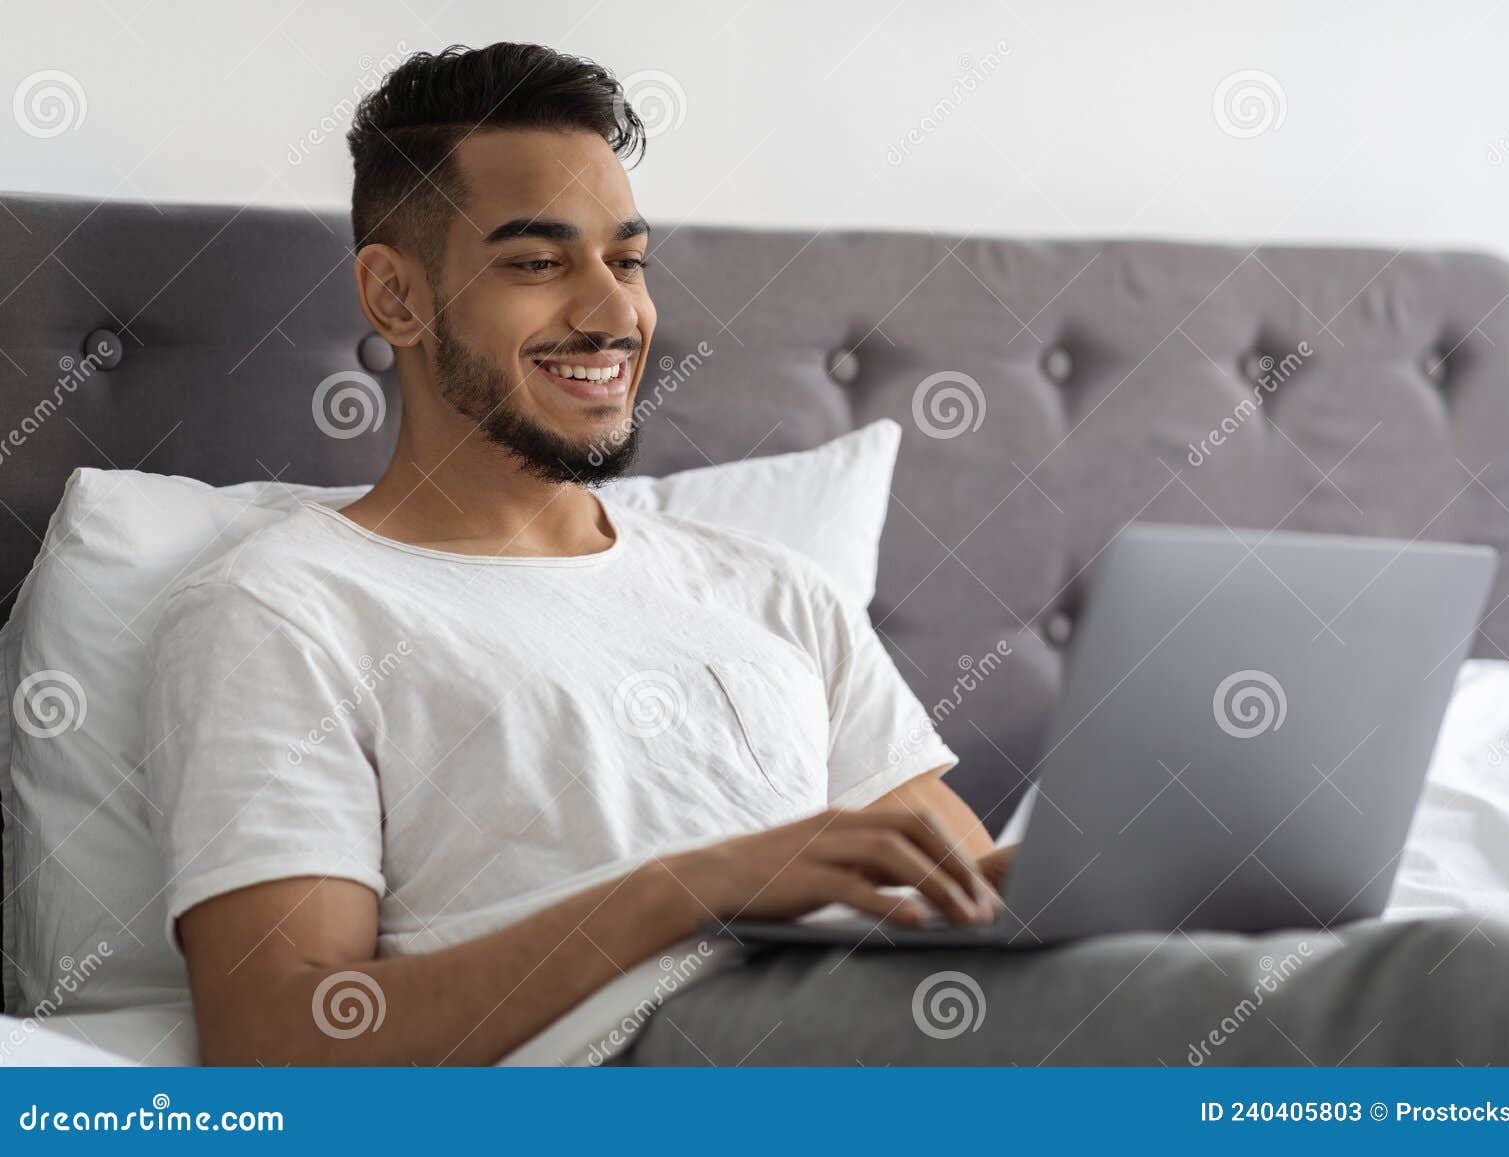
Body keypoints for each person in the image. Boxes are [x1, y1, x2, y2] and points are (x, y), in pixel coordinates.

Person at [147, 42, 1008, 1066]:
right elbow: (276, 1039)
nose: (614, 315)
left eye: (627, 261)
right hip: (650, 1061)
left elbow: (987, 900)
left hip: (909, 1026)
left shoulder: (773, 589)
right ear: (395, 297)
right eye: (537, 263)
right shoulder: (286, 608)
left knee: (1164, 981)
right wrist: (688, 889)